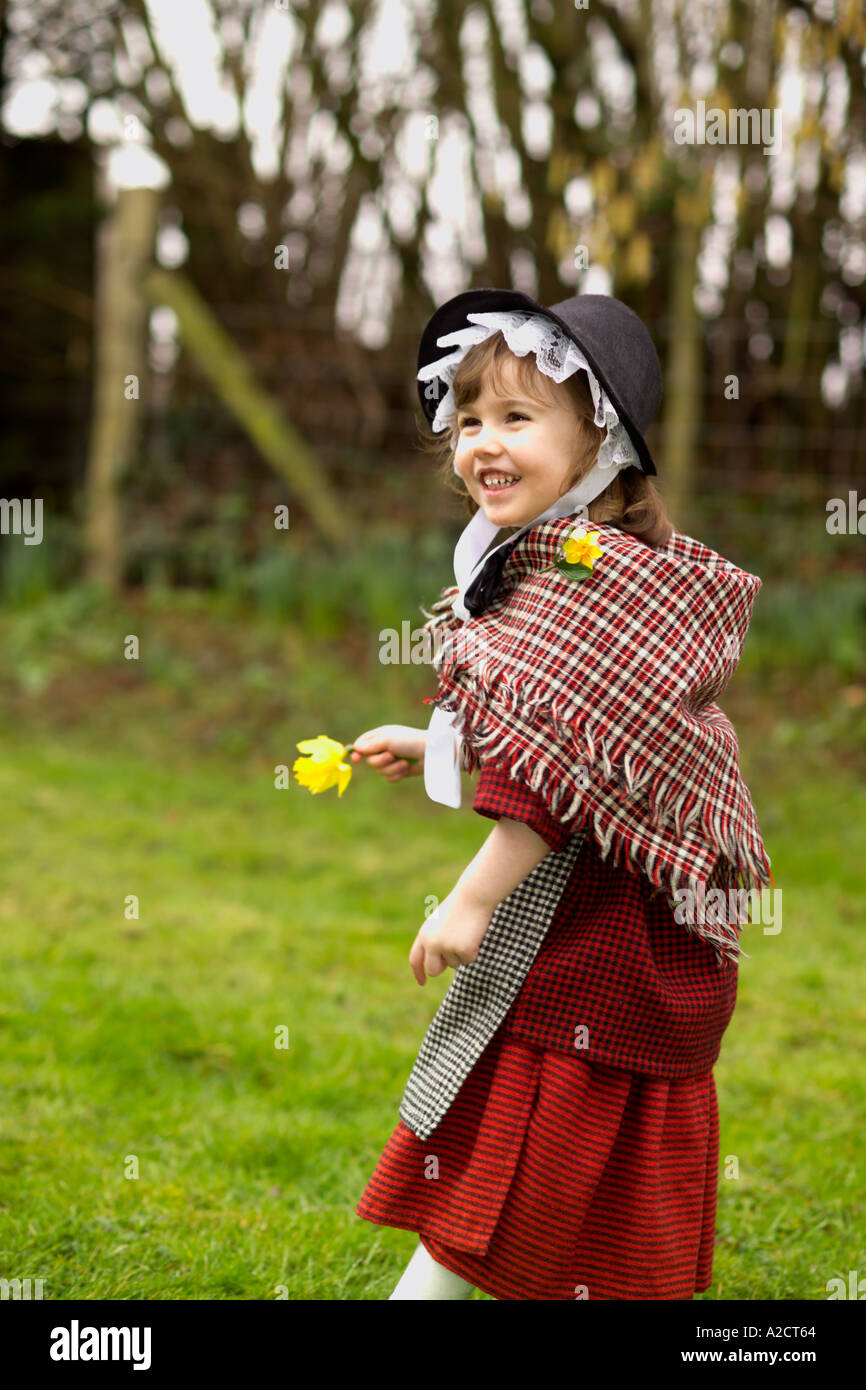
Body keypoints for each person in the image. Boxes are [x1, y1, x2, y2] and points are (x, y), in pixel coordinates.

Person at [348, 290, 773, 1301]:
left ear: (598, 440)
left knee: (554, 1123)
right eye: (468, 421)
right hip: (594, 927)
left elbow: (556, 778)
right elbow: (549, 732)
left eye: (515, 418)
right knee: (526, 1123)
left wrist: (470, 899)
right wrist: (439, 741)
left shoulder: (592, 578)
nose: (479, 445)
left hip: (607, 942)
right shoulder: (550, 560)